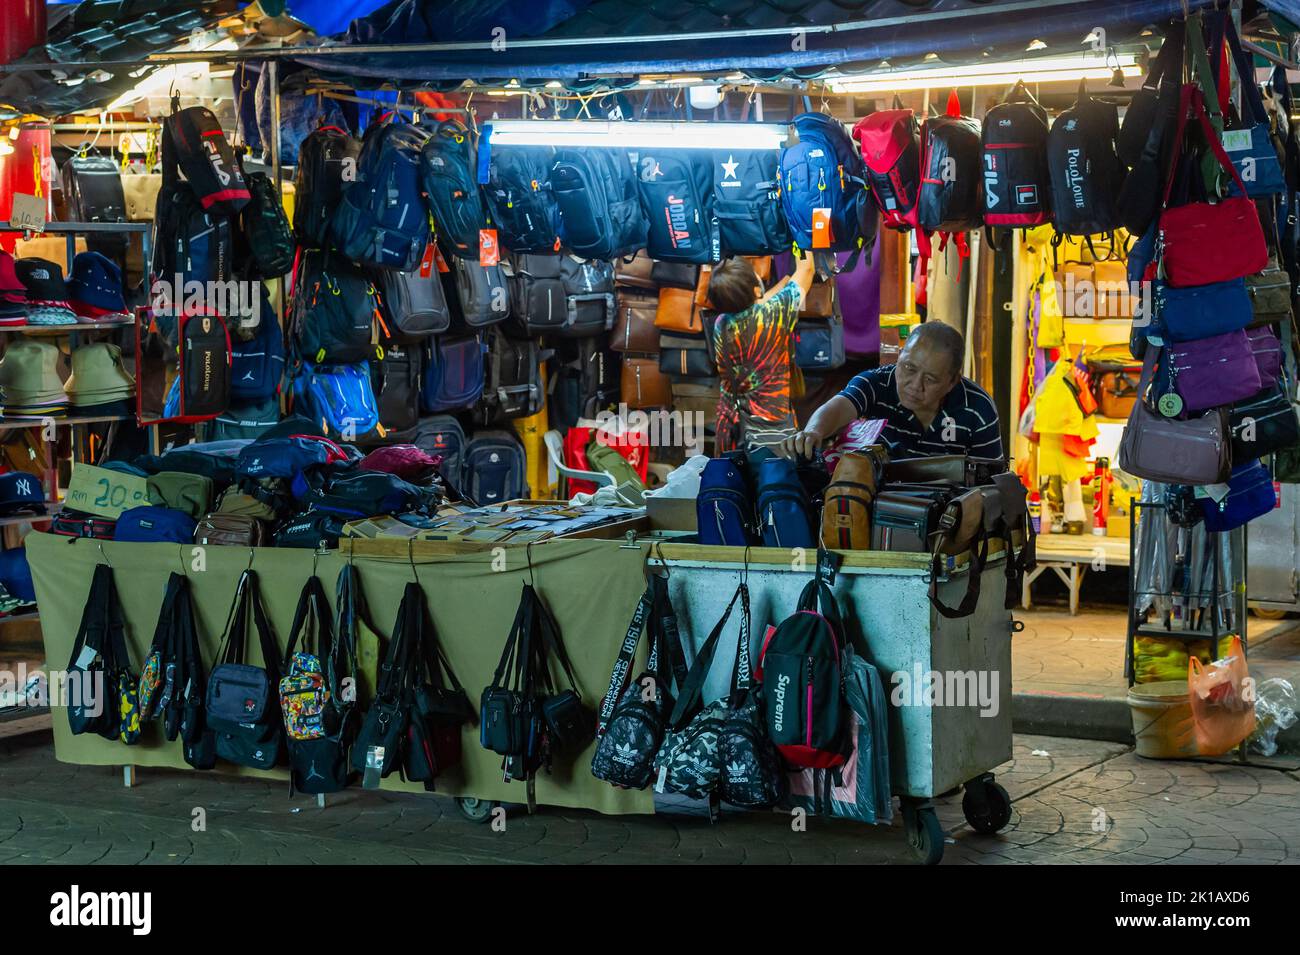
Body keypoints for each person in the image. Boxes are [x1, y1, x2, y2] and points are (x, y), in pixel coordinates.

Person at [783, 321, 1004, 462]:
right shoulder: (877, 383)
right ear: (899, 356)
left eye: (930, 379)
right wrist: (813, 431)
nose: (915, 385)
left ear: (952, 381)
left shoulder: (977, 408)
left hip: (949, 515)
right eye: (909, 368)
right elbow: (841, 405)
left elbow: (990, 481)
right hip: (882, 505)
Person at [708, 253, 816, 454]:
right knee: (775, 481)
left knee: (732, 482)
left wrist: (778, 285)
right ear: (756, 289)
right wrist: (802, 234)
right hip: (772, 431)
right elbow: (807, 269)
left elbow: (752, 308)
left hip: (732, 426)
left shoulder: (721, 324)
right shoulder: (775, 313)